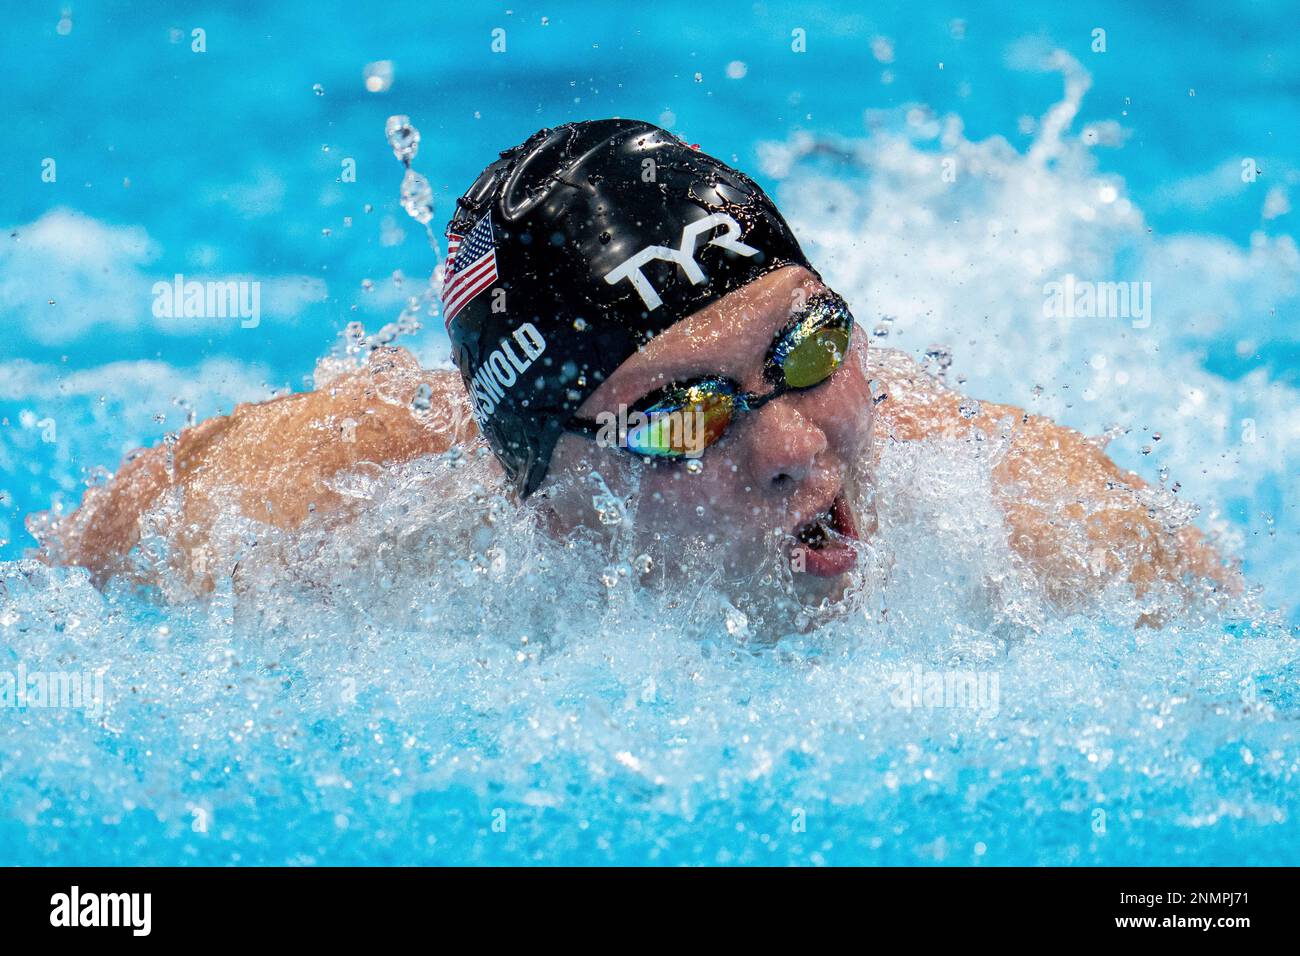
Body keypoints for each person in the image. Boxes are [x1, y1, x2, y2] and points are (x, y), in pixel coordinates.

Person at [39, 120, 1235, 614]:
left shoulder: (1052, 521)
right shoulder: (299, 521)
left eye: (808, 348)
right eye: (678, 420)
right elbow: (55, 592)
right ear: (545, 497)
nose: (792, 447)